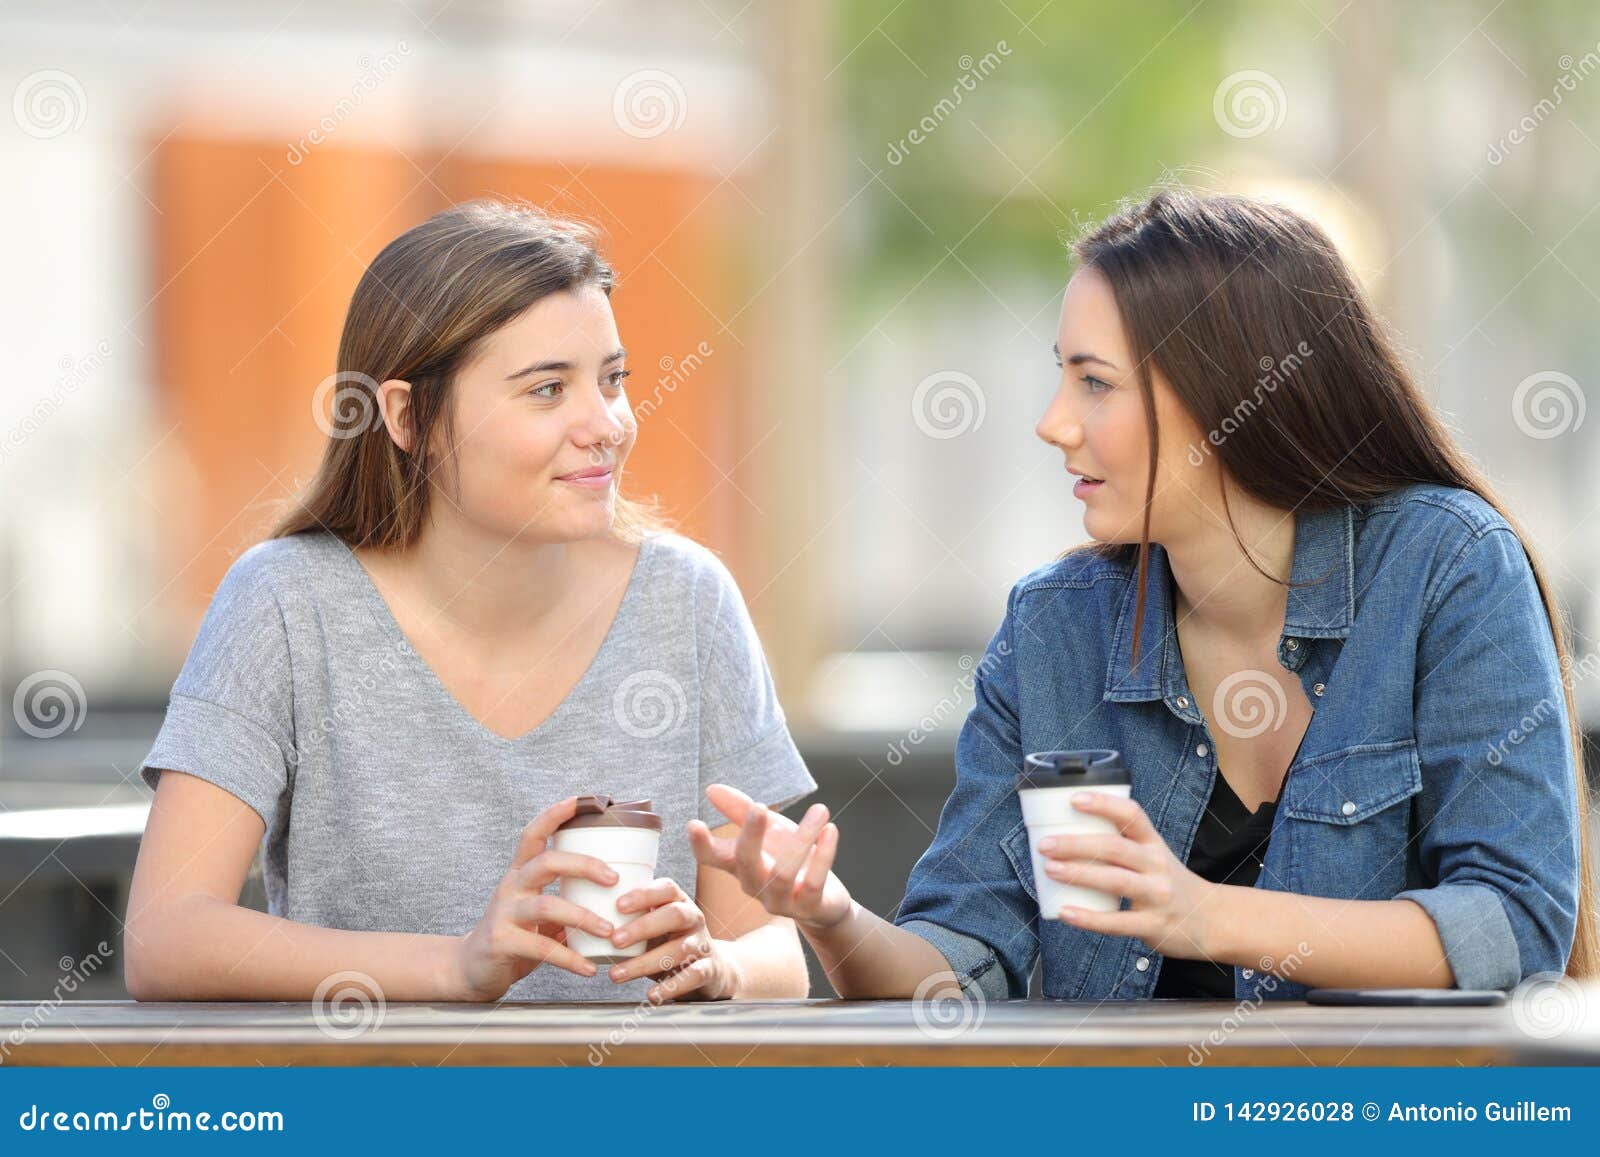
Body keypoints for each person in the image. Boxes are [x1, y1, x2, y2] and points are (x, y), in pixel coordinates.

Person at [690, 187, 1595, 1002]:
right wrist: (834, 916)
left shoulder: (1448, 567)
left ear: (1227, 393)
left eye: (1095, 382)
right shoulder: (1056, 627)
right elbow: (959, 962)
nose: (1053, 422)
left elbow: (1515, 924)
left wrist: (1204, 914)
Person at [125, 201, 816, 1005]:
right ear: (405, 416)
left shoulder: (690, 602)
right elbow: (165, 934)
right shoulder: (285, 603)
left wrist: (721, 965)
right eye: (547, 389)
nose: (606, 424)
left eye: (613, 380)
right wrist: (457, 967)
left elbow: (776, 952)